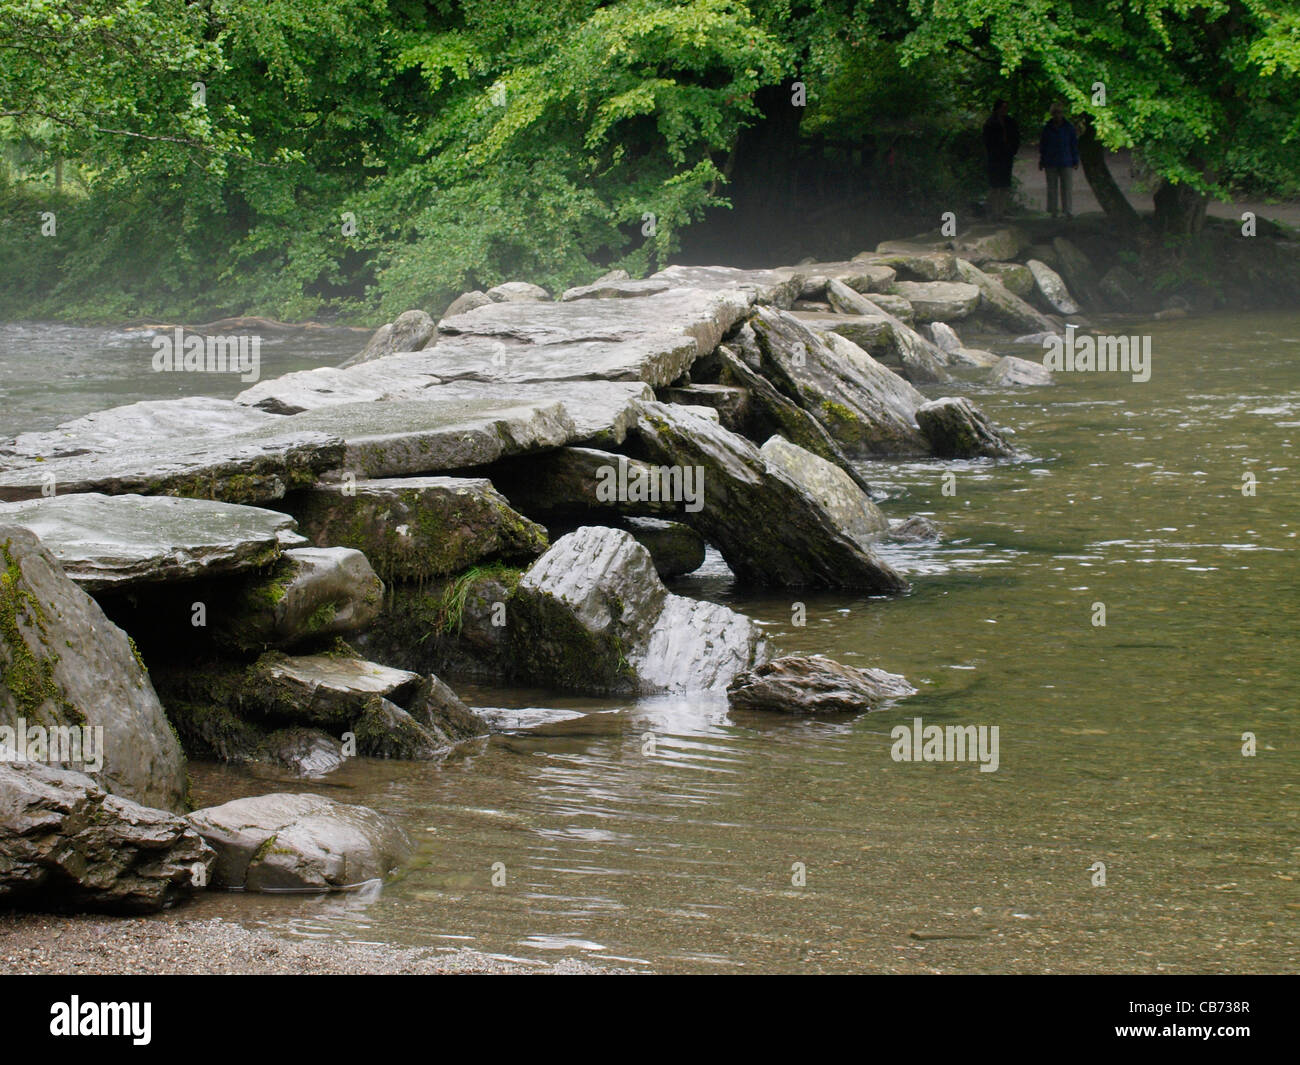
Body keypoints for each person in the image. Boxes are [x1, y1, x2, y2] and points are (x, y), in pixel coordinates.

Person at [1039, 101, 1079, 219]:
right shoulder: (1047, 128)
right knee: (1052, 187)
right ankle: (1053, 211)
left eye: (1059, 112)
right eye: (1055, 113)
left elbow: (1073, 144)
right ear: (1052, 114)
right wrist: (1042, 160)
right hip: (1050, 161)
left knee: (1067, 187)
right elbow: (1043, 146)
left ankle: (1068, 211)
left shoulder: (1069, 128)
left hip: (1066, 160)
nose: (1057, 115)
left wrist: (1075, 160)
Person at [982, 99, 1019, 221]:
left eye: (1006, 108)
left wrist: (1012, 150)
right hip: (994, 157)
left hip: (1006, 156)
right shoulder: (990, 123)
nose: (1004, 110)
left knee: (1004, 185)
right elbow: (987, 141)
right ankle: (994, 211)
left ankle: (1001, 211)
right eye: (1002, 108)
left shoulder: (1010, 122)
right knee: (994, 186)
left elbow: (1016, 137)